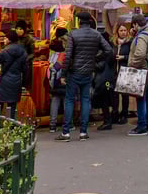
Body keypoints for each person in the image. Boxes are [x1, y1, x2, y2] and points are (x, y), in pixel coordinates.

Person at [57, 13, 112, 141]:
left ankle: (66, 132)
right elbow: (108, 50)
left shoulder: (73, 34)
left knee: (69, 100)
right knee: (85, 100)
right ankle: (83, 132)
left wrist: (63, 74)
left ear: (79, 22)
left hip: (74, 71)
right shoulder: (96, 34)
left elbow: (68, 55)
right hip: (88, 71)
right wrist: (95, 59)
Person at [126, 13, 148, 136]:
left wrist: (132, 65)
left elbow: (140, 54)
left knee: (141, 98)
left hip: (142, 70)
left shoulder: (142, 37)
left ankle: (141, 126)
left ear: (135, 24)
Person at [0, 29, 27, 119]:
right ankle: (11, 129)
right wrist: (23, 83)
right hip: (16, 82)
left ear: (9, 39)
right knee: (12, 108)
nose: (4, 40)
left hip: (4, 83)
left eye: (5, 38)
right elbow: (25, 70)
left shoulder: (4, 52)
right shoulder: (23, 52)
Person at [94, 29, 118, 130]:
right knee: (111, 98)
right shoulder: (112, 49)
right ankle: (112, 118)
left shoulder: (104, 52)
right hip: (110, 78)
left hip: (104, 80)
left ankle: (107, 121)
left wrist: (93, 63)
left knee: (104, 100)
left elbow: (100, 66)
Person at [46, 28, 69, 133]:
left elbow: (51, 65)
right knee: (66, 101)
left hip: (54, 80)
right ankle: (68, 123)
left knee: (55, 100)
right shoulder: (64, 51)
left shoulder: (53, 50)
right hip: (63, 79)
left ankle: (52, 125)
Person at [111, 24, 133, 124]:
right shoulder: (113, 43)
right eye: (121, 30)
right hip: (114, 71)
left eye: (125, 30)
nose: (123, 32)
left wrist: (123, 57)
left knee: (124, 95)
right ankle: (115, 114)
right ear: (117, 32)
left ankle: (124, 115)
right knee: (114, 94)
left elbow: (133, 56)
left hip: (125, 72)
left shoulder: (130, 43)